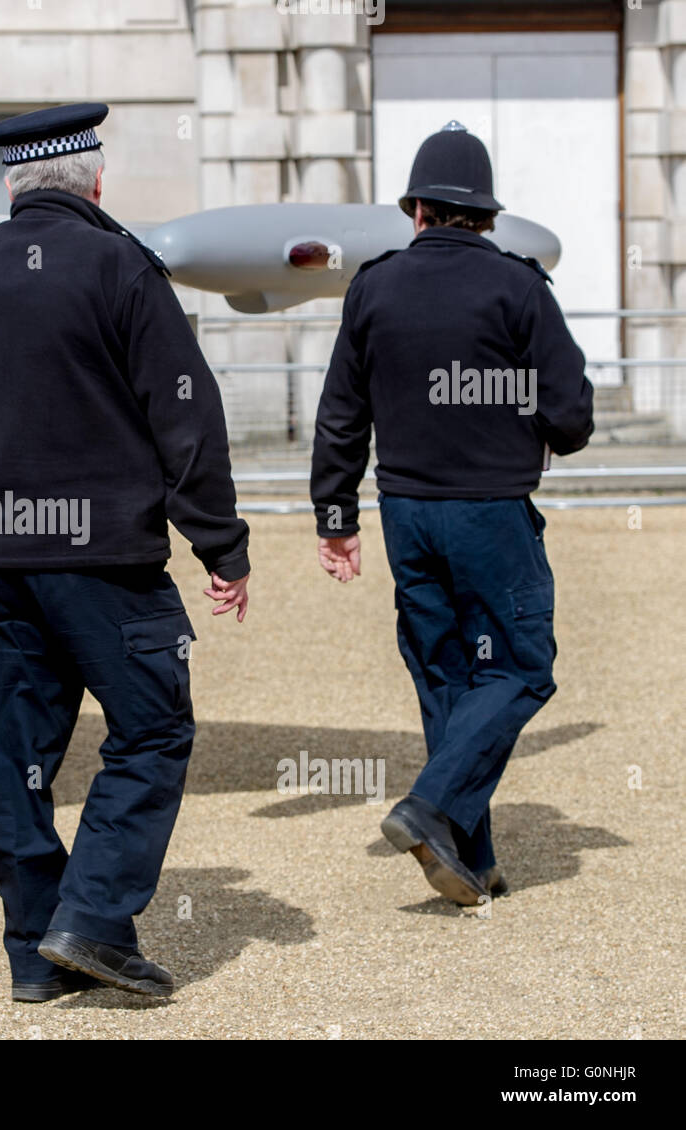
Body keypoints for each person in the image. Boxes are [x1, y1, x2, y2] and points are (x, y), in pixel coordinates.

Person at [0, 103, 250, 1000]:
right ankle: (93, 921)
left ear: (10, 182)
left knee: (17, 757)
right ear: (95, 180)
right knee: (152, 730)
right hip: (108, 561)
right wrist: (220, 544)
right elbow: (187, 415)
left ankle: (34, 955)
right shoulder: (123, 267)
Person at [310, 121, 594, 907]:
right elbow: (571, 420)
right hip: (491, 514)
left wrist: (335, 517)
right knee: (521, 667)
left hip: (404, 512)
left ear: (418, 210)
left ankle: (470, 857)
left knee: (446, 677)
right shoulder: (519, 286)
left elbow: (341, 414)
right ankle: (431, 808)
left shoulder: (373, 284)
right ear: (488, 215)